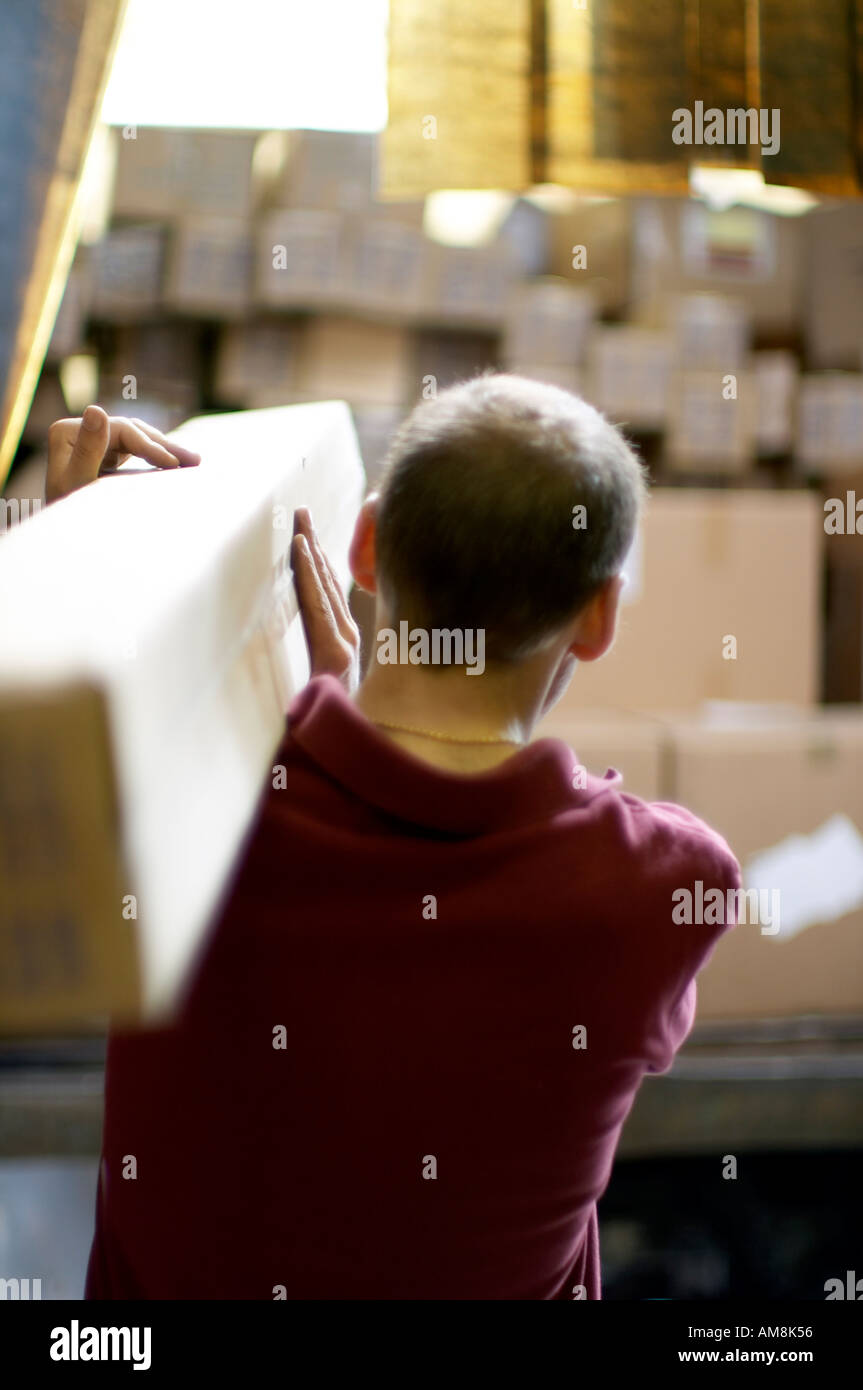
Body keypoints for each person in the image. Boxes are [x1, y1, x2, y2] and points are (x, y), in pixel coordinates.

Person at [49, 375, 740, 1300]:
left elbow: (63, 739)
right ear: (599, 617)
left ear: (366, 544)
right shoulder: (660, 888)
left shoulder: (181, 795)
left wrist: (67, 570)